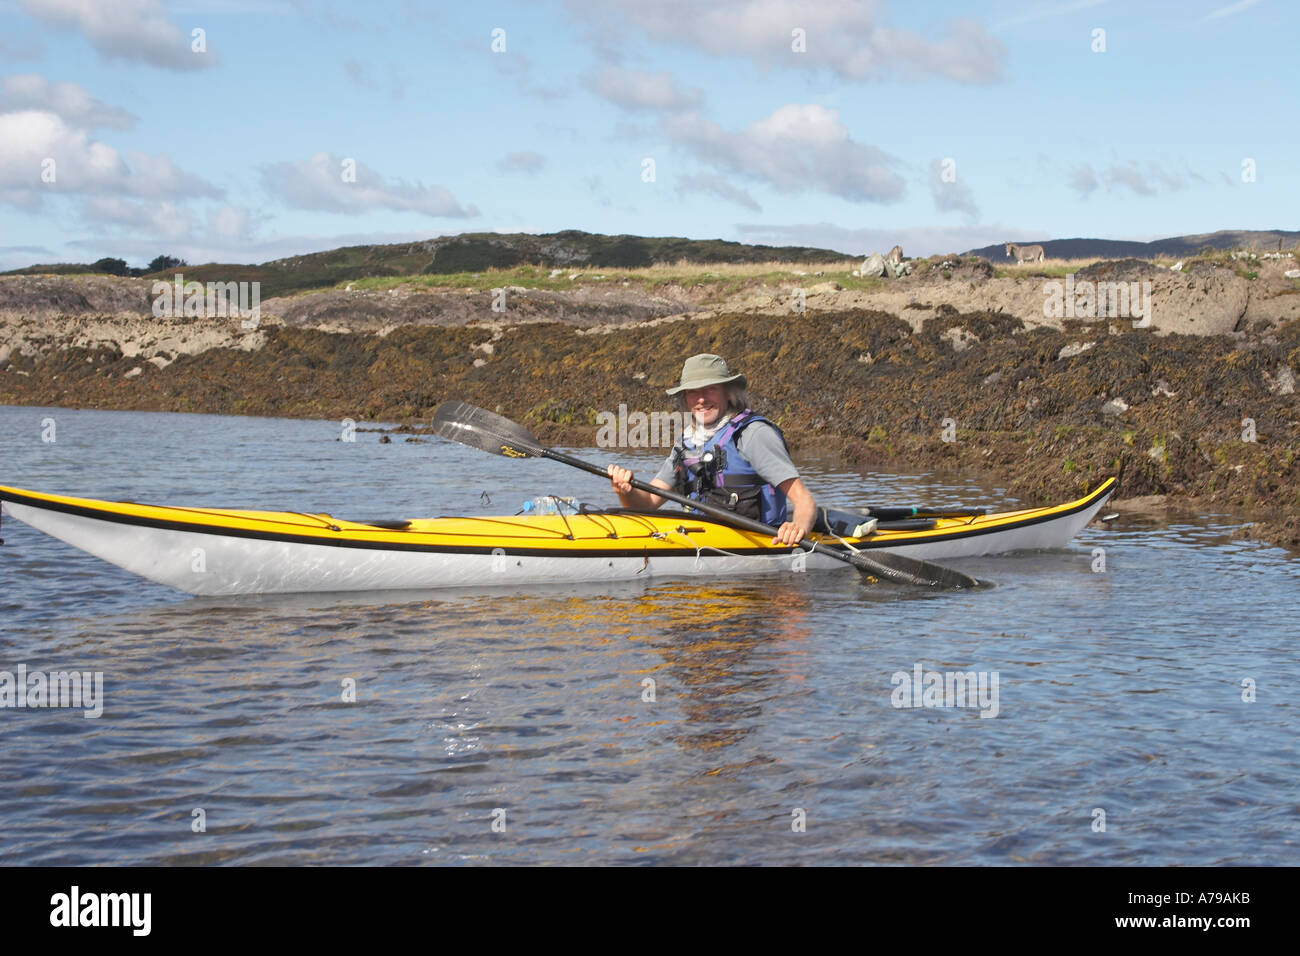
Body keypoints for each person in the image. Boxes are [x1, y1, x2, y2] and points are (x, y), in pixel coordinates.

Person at [606, 353, 817, 547]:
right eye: (693, 391)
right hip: (704, 539)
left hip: (759, 543)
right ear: (685, 398)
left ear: (728, 393)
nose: (701, 399)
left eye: (710, 389)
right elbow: (648, 503)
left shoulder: (753, 434)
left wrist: (797, 528)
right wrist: (626, 491)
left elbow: (804, 500)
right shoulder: (687, 442)